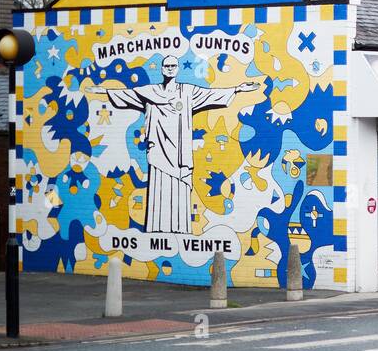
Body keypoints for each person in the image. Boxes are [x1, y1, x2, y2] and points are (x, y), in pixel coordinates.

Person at [85, 56, 261, 234]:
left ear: (177, 69)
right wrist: (102, 91)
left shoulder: (187, 92)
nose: (170, 68)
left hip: (179, 155)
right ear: (162, 69)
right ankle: (157, 229)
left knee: (179, 191)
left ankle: (179, 230)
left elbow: (211, 94)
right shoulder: (150, 92)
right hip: (158, 152)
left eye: (173, 65)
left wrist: (238, 89)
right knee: (159, 191)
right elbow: (128, 94)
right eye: (167, 65)